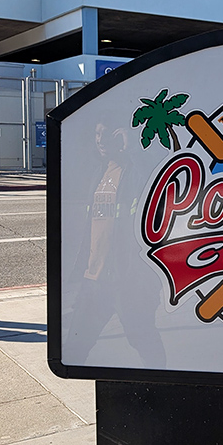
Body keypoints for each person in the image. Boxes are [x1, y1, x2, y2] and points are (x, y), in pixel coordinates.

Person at [65, 117, 166, 368]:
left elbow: (152, 186)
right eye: (97, 134)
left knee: (142, 336)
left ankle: (160, 387)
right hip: (95, 277)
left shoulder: (133, 170)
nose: (100, 140)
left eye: (106, 134)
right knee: (76, 344)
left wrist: (132, 149)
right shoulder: (99, 171)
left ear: (119, 136)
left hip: (127, 278)